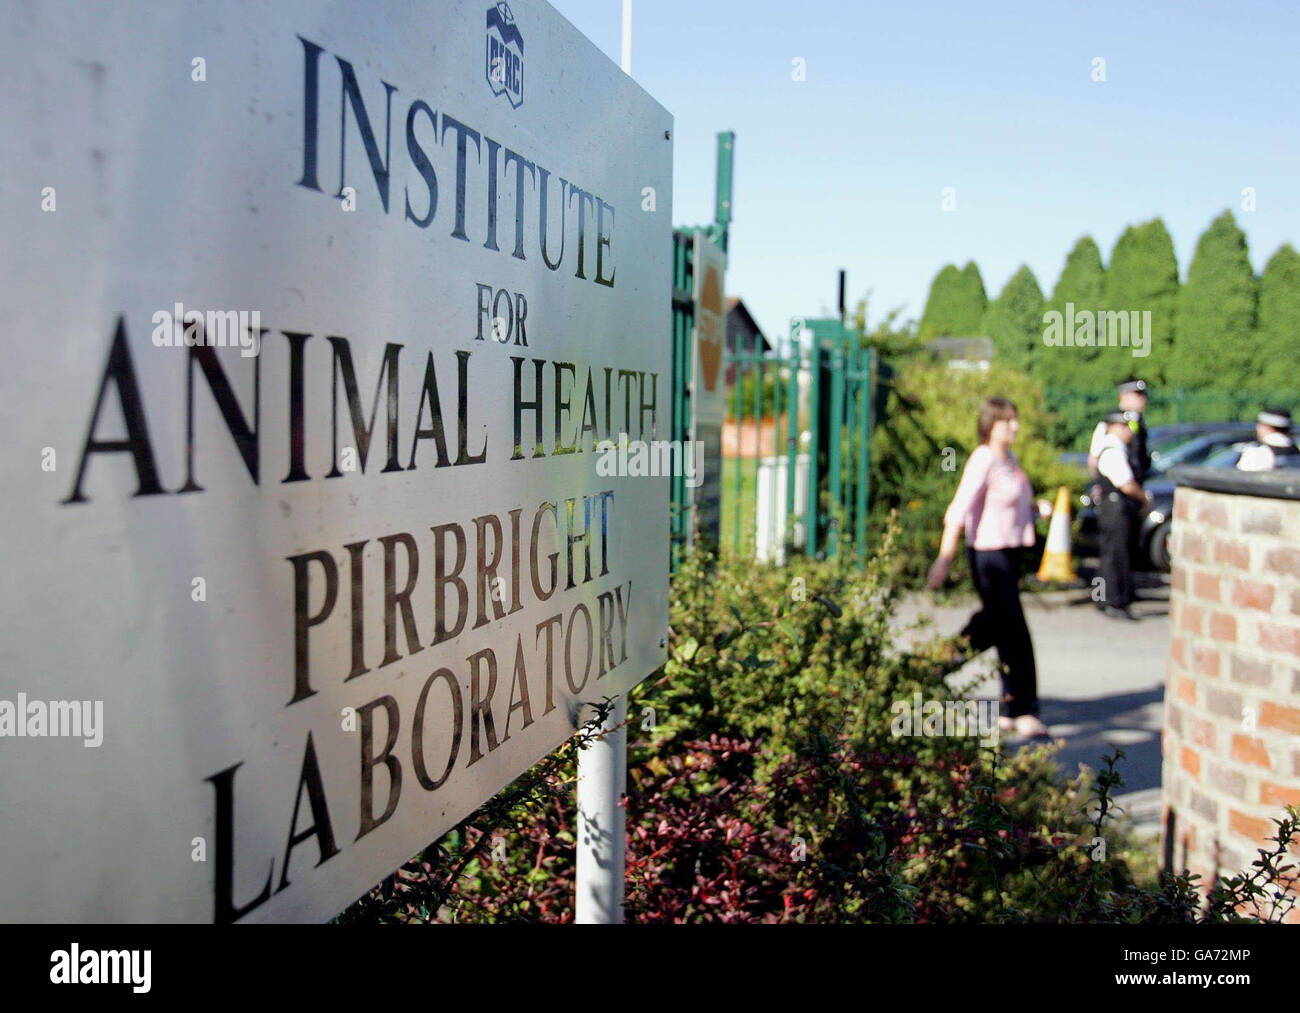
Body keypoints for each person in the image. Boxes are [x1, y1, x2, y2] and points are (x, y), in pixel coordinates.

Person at [927, 397, 1048, 738]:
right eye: (1008, 420)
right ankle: (1022, 710)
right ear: (990, 424)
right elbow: (958, 510)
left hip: (1008, 555)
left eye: (1016, 419)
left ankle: (927, 671)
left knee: (989, 629)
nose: (1015, 426)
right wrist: (944, 559)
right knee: (1015, 634)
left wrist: (1038, 508)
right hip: (988, 558)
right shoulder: (982, 459)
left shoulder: (1009, 460)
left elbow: (1011, 505)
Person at [1094, 410, 1149, 620]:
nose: (1129, 432)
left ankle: (1101, 597)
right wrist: (1144, 498)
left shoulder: (1114, 448)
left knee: (1108, 555)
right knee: (1116, 556)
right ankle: (1114, 601)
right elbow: (1126, 484)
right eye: (1125, 427)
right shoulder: (1113, 450)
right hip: (1116, 508)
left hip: (1112, 507)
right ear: (1113, 427)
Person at [1088, 378, 1151, 483]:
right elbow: (1093, 459)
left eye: (1143, 395)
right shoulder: (1108, 424)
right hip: (1118, 487)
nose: (1143, 399)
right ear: (1123, 395)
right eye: (1138, 395)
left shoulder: (1139, 422)